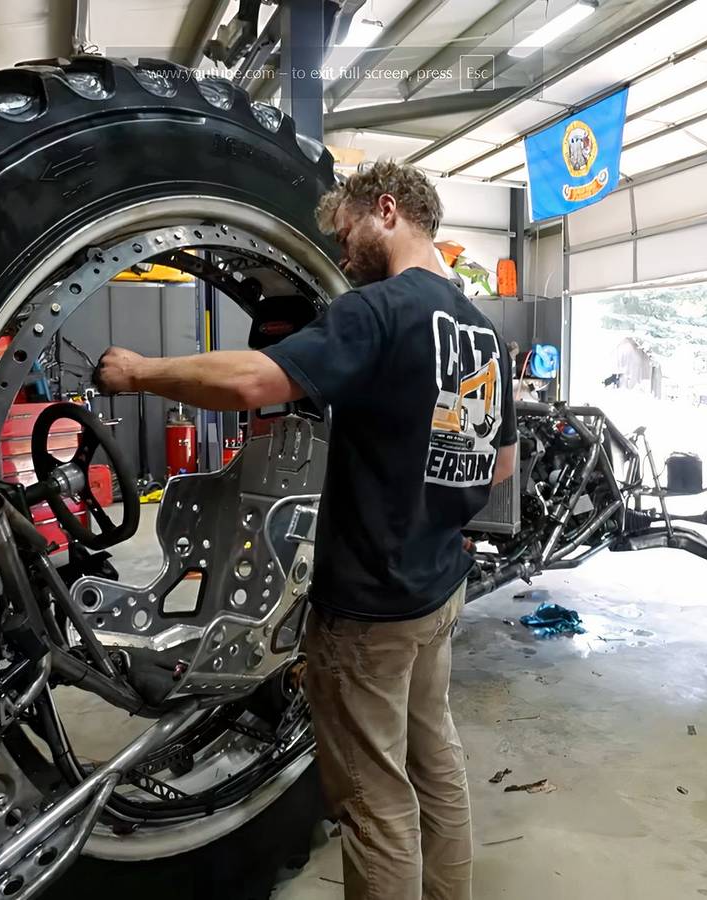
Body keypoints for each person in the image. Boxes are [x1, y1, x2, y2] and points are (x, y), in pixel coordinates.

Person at [96, 160, 516, 900]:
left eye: (345, 229)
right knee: (434, 764)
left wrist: (139, 373)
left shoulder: (378, 310)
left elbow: (254, 382)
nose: (342, 248)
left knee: (374, 800)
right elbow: (502, 463)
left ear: (385, 209)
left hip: (370, 608)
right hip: (437, 591)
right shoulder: (480, 331)